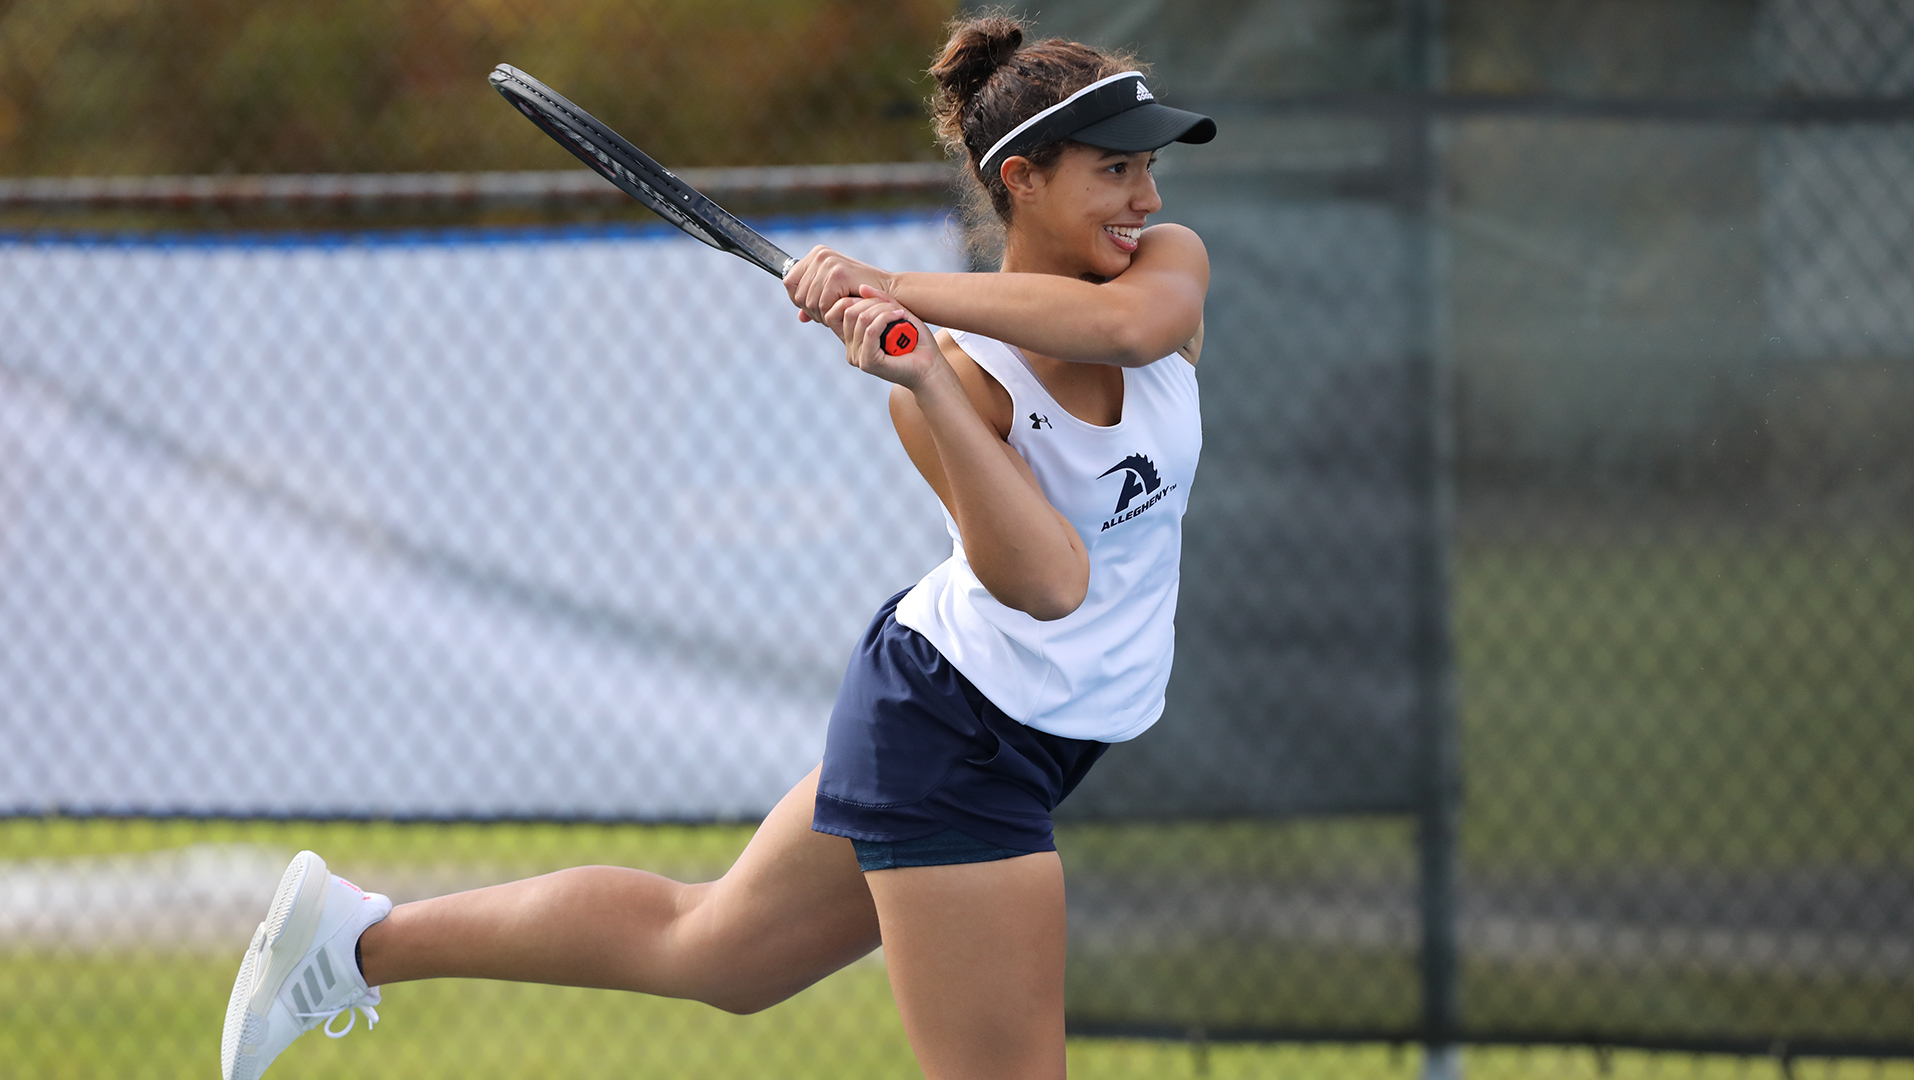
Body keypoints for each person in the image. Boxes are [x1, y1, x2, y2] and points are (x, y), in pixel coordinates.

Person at [219, 14, 1213, 1080]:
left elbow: (1117, 333)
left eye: (1147, 166)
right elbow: (1051, 583)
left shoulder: (1164, 270)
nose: (1146, 198)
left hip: (1040, 720)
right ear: (1021, 178)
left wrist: (894, 286)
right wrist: (922, 372)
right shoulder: (955, 383)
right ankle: (355, 945)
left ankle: (356, 940)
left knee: (717, 952)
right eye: (1115, 170)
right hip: (962, 738)